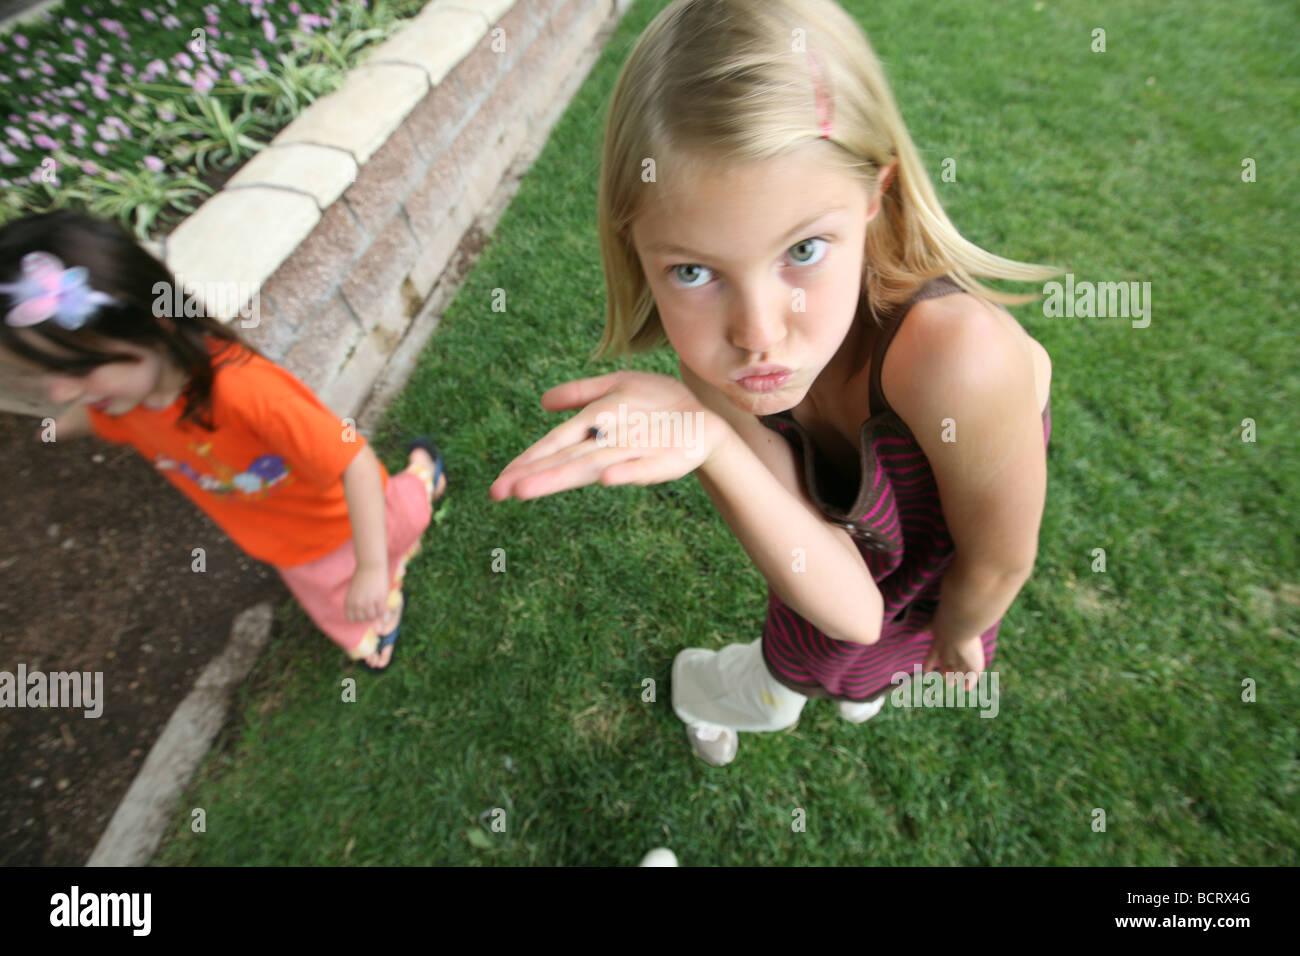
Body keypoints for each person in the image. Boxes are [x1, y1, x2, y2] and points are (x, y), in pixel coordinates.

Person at [491, 0, 1058, 765]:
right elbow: (851, 608)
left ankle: (869, 683)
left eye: (803, 250)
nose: (757, 332)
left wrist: (957, 632)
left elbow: (996, 561)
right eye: (692, 271)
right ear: (636, 245)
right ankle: (709, 690)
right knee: (812, 667)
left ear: (874, 197)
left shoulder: (960, 360)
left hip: (944, 574)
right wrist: (713, 439)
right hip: (843, 580)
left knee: (885, 656)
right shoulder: (712, 364)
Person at [0, 210, 446, 672]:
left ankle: (421, 483)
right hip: (282, 539)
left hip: (341, 514)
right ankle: (379, 578)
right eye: (45, 377)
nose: (61, 393)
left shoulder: (245, 392)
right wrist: (58, 428)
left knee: (395, 525)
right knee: (329, 590)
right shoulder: (120, 402)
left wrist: (372, 569)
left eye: (77, 370)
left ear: (156, 325)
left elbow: (354, 464)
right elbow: (94, 420)